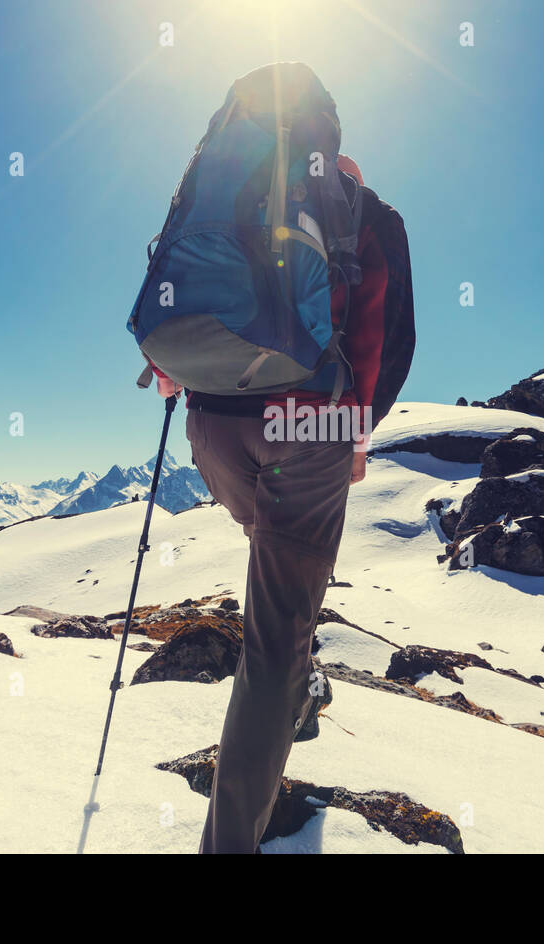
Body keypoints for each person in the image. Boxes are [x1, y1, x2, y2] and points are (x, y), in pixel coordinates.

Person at [150, 153, 414, 854]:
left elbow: (175, 290)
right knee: (277, 637)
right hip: (308, 422)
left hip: (211, 421)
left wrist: (165, 369)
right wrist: (353, 430)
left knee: (271, 564)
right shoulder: (363, 210)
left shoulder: (216, 182)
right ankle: (231, 840)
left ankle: (297, 685)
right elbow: (386, 337)